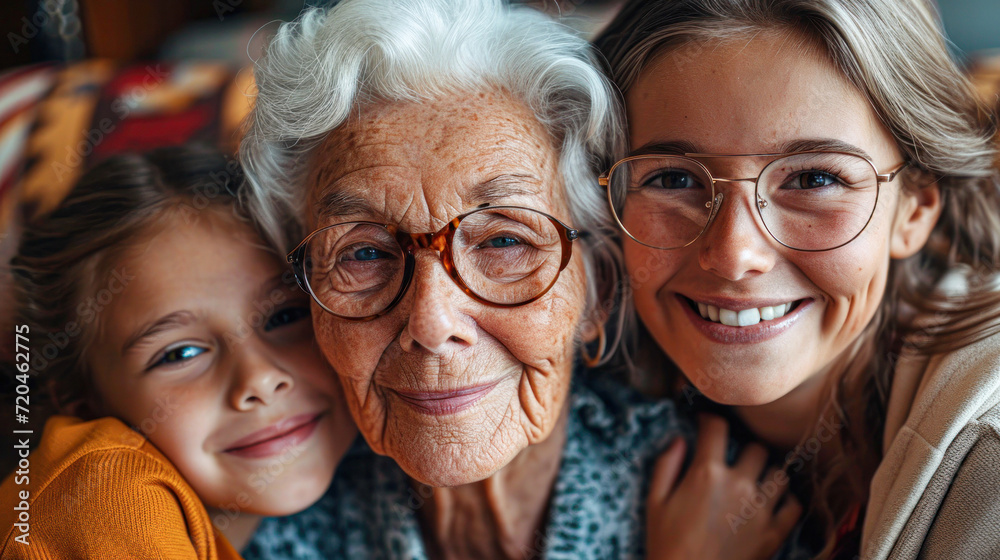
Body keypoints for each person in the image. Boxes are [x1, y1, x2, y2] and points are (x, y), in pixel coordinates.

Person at [236, 0, 802, 558]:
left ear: (599, 289)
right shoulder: (278, 516)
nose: (431, 323)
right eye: (363, 253)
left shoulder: (732, 511)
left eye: (504, 242)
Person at [595, 0, 1000, 558]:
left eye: (813, 178)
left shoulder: (988, 463)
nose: (735, 255)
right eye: (672, 178)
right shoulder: (592, 405)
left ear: (915, 209)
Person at [0, 145, 356, 558]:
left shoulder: (383, 462)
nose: (259, 379)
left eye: (283, 317)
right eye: (181, 354)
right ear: (82, 401)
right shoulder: (101, 499)